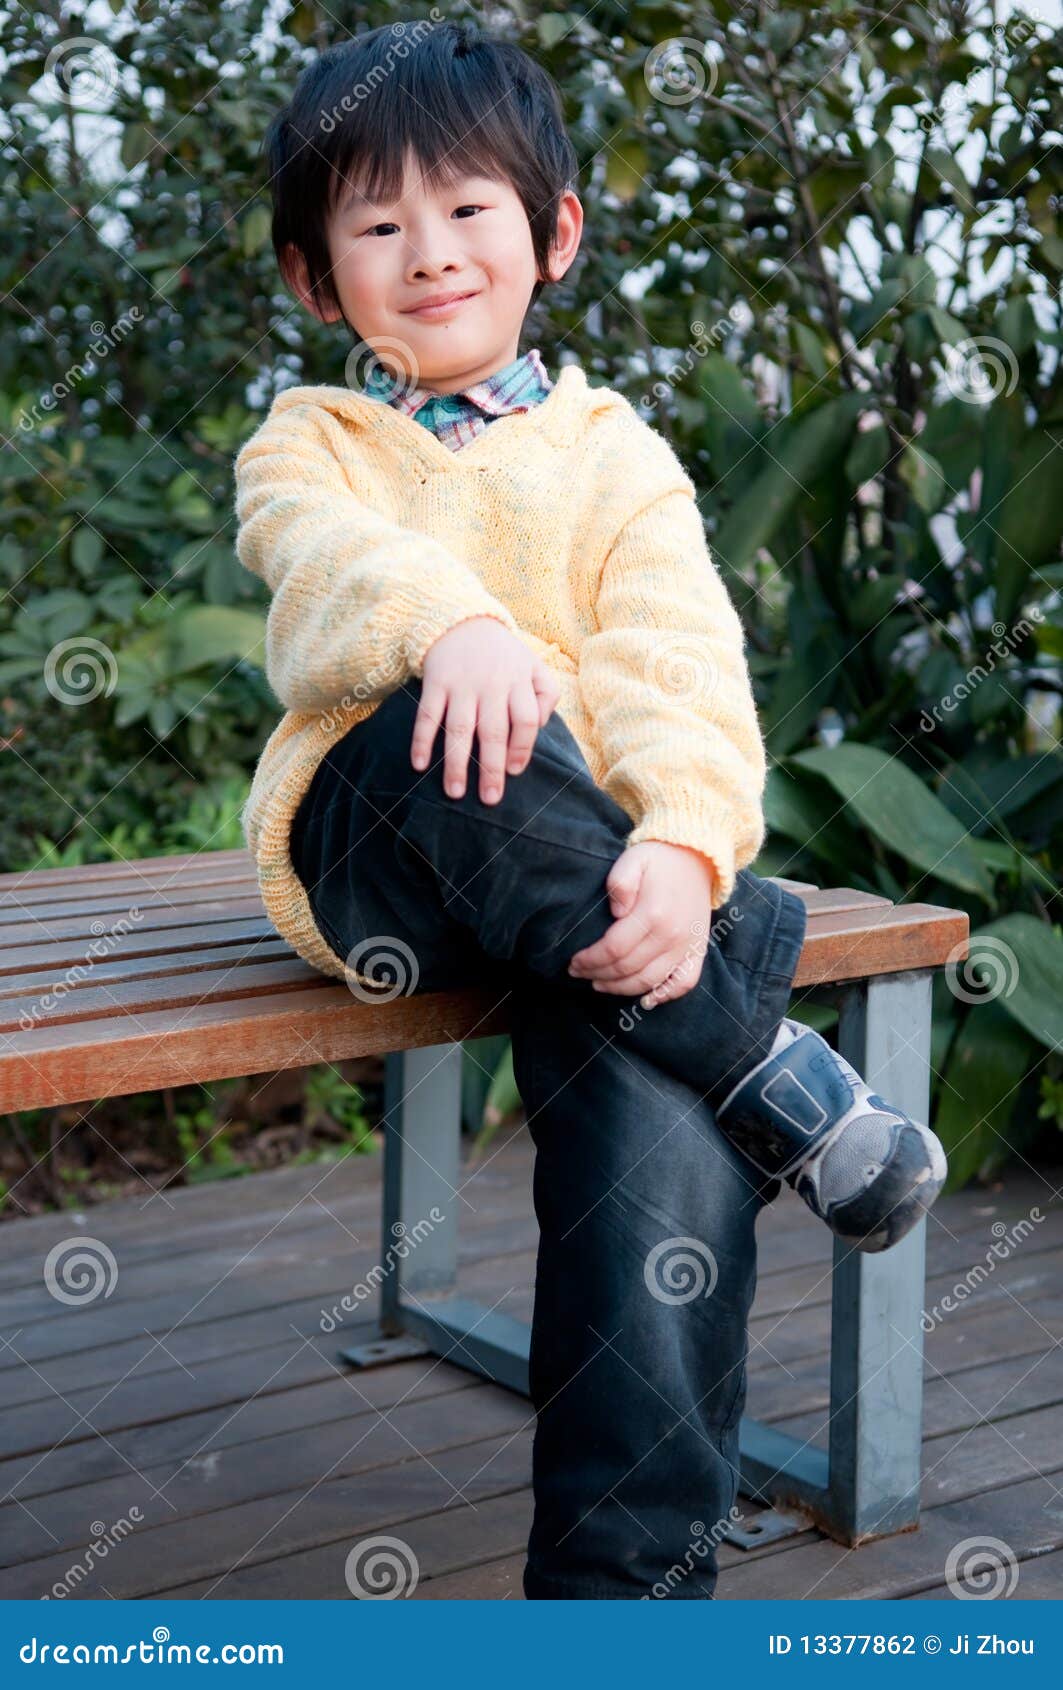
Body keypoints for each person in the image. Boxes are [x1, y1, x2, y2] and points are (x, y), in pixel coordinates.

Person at [234, 19, 946, 1598]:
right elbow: (323, 587)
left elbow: (680, 666)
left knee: (652, 1094)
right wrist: (458, 626)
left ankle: (627, 1607)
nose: (429, 254)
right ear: (313, 276)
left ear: (553, 233)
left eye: (469, 209)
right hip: (378, 856)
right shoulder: (314, 442)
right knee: (444, 716)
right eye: (375, 223)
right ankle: (761, 1046)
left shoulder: (617, 456)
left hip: (588, 907)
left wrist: (687, 848)